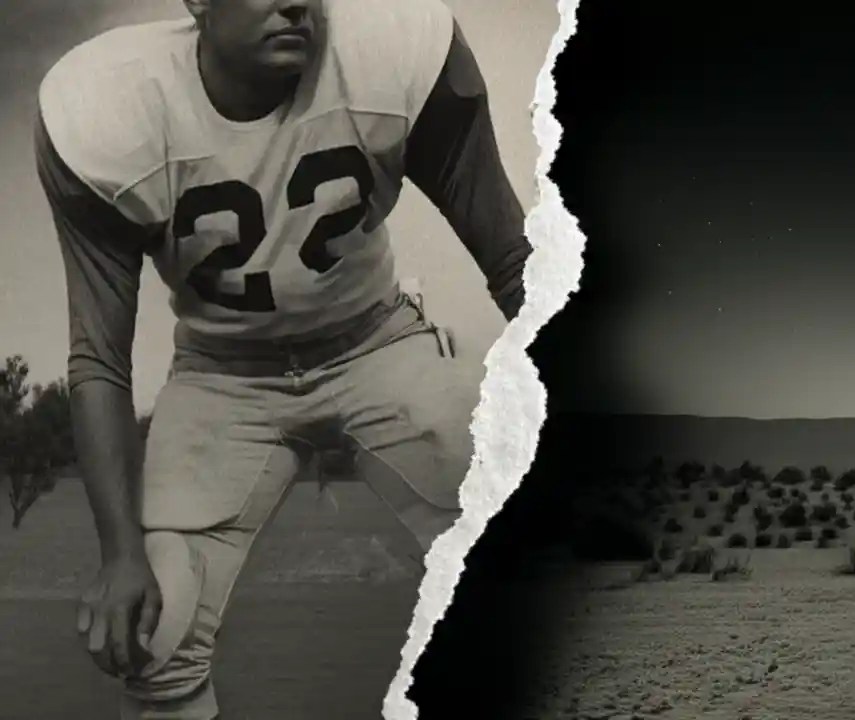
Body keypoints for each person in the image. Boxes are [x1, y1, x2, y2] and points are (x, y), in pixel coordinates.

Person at [33, 0, 531, 717]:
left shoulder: (395, 52)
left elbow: (515, 262)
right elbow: (99, 360)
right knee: (158, 636)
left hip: (377, 345)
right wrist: (119, 555)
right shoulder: (111, 110)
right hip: (222, 378)